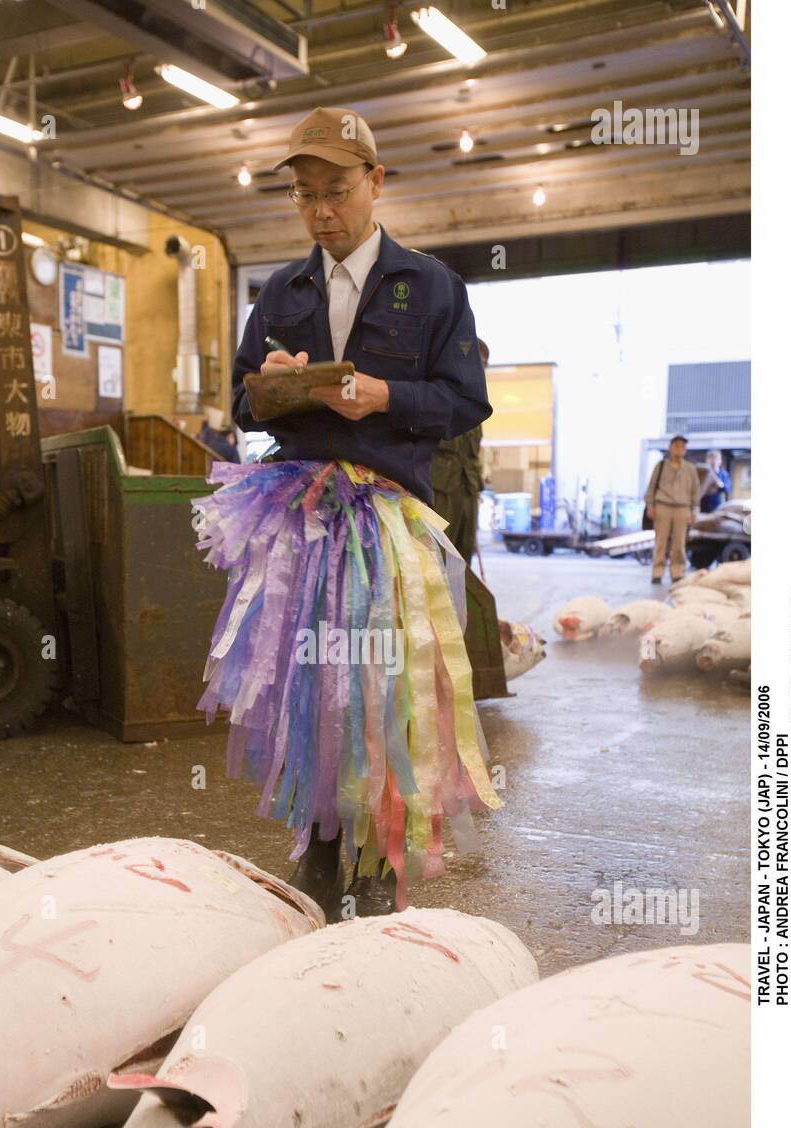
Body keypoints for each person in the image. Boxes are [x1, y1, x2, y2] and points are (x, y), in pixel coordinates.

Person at [195, 105, 499, 920]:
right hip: (300, 525)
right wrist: (275, 383)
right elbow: (240, 405)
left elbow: (465, 400)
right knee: (313, 693)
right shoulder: (280, 294)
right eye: (303, 196)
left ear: (375, 182)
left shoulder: (430, 287)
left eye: (336, 190)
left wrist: (384, 396)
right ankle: (321, 850)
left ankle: (375, 857)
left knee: (379, 691)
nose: (321, 210)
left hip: (386, 525)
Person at [430, 339, 490, 563]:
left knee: (463, 563)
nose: (481, 370)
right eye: (478, 363)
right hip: (440, 492)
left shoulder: (476, 408)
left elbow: (473, 456)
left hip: (467, 492)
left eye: (485, 365)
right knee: (438, 561)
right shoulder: (437, 395)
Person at [644, 434, 700, 584]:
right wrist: (650, 505)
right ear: (670, 448)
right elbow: (651, 487)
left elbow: (695, 491)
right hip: (662, 506)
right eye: (676, 445)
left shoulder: (690, 469)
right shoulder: (661, 466)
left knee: (679, 543)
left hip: (683, 508)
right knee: (660, 541)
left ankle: (677, 572)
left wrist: (694, 510)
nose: (679, 449)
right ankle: (657, 572)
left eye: (683, 446)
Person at [699, 448, 731, 513]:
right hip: (702, 508)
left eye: (716, 458)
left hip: (718, 507)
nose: (713, 461)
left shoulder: (723, 474)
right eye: (711, 458)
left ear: (720, 461)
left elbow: (727, 490)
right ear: (706, 460)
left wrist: (718, 484)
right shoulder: (702, 474)